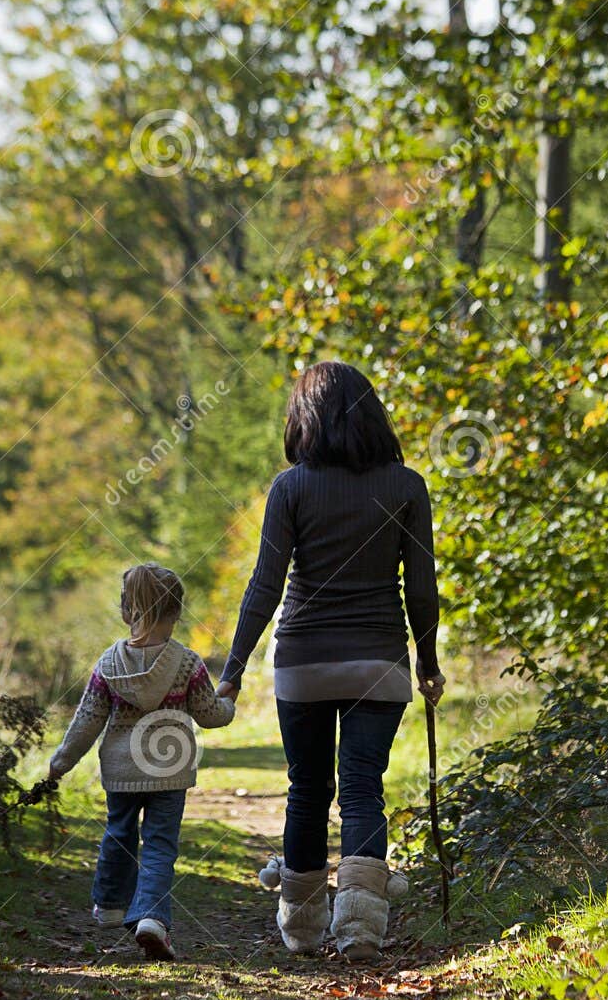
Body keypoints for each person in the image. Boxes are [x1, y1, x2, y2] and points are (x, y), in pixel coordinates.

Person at [218, 361, 444, 965]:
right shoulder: (406, 486)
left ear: (304, 417)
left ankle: (302, 927)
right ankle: (362, 928)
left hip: (304, 660)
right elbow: (421, 589)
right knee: (364, 788)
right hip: (379, 660)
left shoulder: (290, 488)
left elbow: (264, 585)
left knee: (307, 788)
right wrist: (428, 661)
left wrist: (234, 667)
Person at [48, 562, 235, 961]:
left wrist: (60, 762)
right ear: (176, 612)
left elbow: (87, 721)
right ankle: (152, 916)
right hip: (169, 768)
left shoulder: (109, 664)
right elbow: (210, 715)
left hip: (121, 770)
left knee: (119, 832)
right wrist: (229, 700)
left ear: (126, 611)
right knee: (160, 845)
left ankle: (112, 904)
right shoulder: (187, 663)